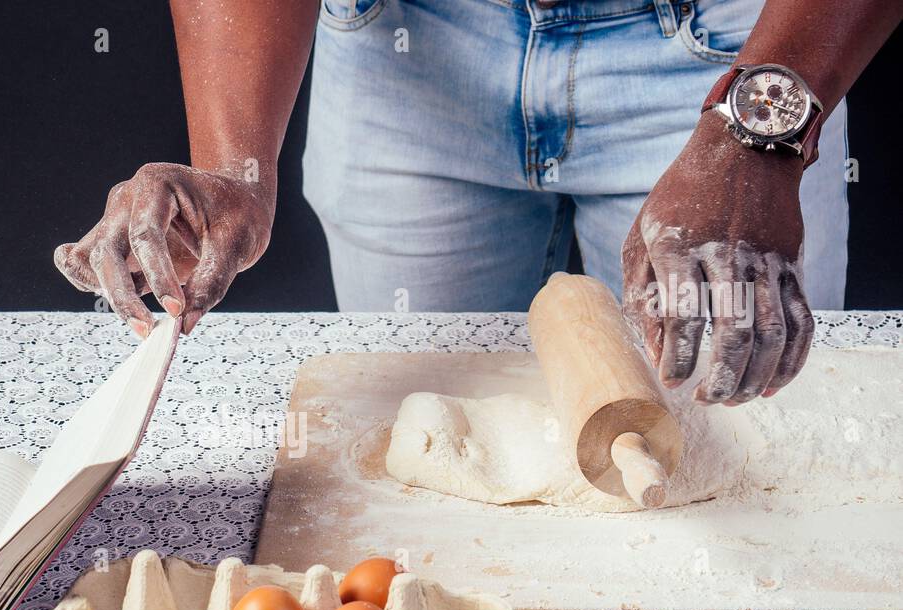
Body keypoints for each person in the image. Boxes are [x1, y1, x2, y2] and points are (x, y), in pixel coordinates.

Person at [54, 0, 901, 404]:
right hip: (412, 40)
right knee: (431, 449)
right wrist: (233, 162)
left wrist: (764, 126)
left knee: (737, 457)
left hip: (728, 46)